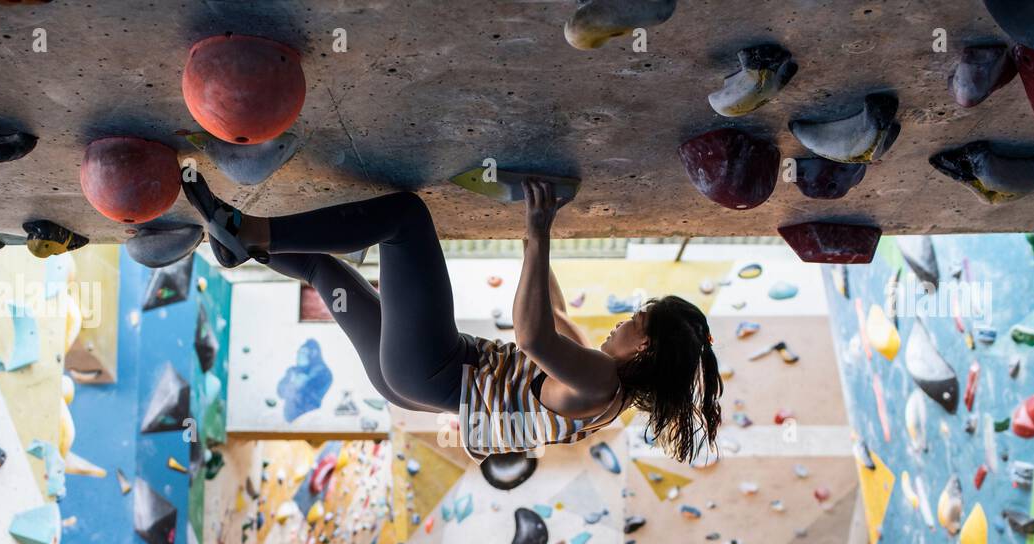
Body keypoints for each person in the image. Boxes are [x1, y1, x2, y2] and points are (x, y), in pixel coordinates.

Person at [182, 172, 723, 462]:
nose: (625, 321)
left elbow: (532, 335)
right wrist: (536, 223)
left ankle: (250, 230)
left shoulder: (602, 382)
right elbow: (551, 311)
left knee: (405, 218)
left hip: (435, 368)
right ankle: (239, 248)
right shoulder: (599, 385)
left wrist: (538, 231)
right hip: (413, 384)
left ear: (645, 350)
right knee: (323, 272)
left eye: (638, 321)